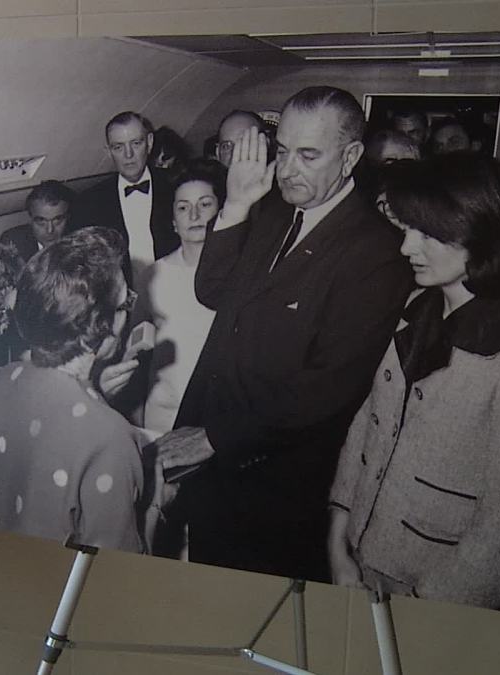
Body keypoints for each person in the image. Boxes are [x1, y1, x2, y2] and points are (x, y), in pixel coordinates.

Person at [158, 86, 412, 580]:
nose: (289, 169)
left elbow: (328, 386)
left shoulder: (375, 251)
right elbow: (212, 291)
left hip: (278, 479)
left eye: (309, 155)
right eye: (282, 152)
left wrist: (215, 438)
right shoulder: (270, 210)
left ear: (352, 156)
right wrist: (233, 206)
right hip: (214, 465)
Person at [327, 153, 500, 609]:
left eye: (427, 233)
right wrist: (337, 542)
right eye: (407, 229)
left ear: (482, 235)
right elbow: (367, 428)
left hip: (436, 596)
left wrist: (424, 602)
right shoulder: (415, 309)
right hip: (358, 565)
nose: (406, 248)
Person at [0, 227, 158, 553]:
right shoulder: (110, 436)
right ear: (102, 327)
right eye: (126, 304)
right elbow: (116, 562)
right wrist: (154, 504)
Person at [140, 160, 225, 433]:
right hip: (164, 416)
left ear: (222, 211)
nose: (194, 214)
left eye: (205, 204)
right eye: (183, 207)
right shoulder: (153, 276)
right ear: (173, 222)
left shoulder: (241, 276)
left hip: (219, 417)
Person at [72, 111, 178, 290]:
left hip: (175, 291)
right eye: (118, 147)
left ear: (150, 142)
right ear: (108, 151)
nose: (128, 155)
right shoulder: (89, 202)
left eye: (136, 143)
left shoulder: (177, 187)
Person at [0, 180, 74, 262]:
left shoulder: (78, 245)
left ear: (68, 217)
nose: (50, 230)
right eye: (41, 221)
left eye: (57, 220)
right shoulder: (13, 243)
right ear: (30, 219)